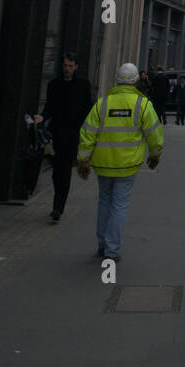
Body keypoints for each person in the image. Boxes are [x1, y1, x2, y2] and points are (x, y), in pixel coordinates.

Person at [75, 63, 162, 262]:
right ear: (136, 81)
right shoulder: (143, 104)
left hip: (103, 164)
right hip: (127, 165)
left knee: (104, 201)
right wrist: (155, 154)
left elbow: (87, 133)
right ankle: (112, 250)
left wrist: (83, 160)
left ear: (117, 80)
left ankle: (102, 244)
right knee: (119, 205)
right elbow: (154, 134)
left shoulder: (102, 104)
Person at [34, 51, 93, 222]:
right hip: (55, 132)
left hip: (73, 133)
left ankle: (58, 207)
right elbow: (49, 106)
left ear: (76, 67)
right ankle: (57, 202)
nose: (67, 69)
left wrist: (84, 127)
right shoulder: (54, 85)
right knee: (56, 170)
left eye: (70, 66)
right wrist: (42, 117)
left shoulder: (83, 85)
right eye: (65, 66)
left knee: (65, 169)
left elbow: (87, 108)